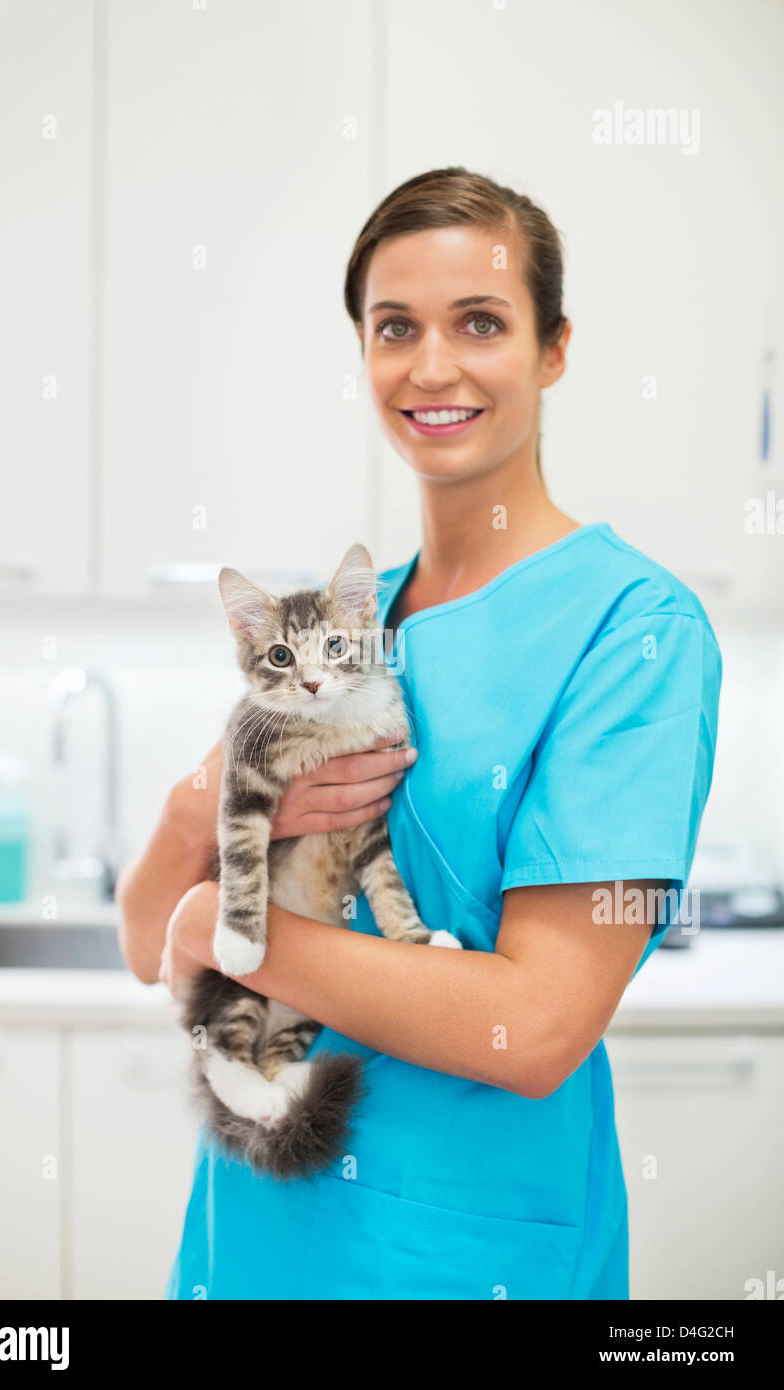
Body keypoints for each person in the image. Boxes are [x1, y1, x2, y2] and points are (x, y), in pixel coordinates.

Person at [116, 167, 722, 1300]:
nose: (431, 367)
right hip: (249, 1232)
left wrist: (223, 923)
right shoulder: (337, 631)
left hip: (459, 1254)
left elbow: (536, 1026)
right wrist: (196, 811)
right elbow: (146, 937)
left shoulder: (635, 632)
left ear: (552, 349)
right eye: (395, 327)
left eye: (479, 322)